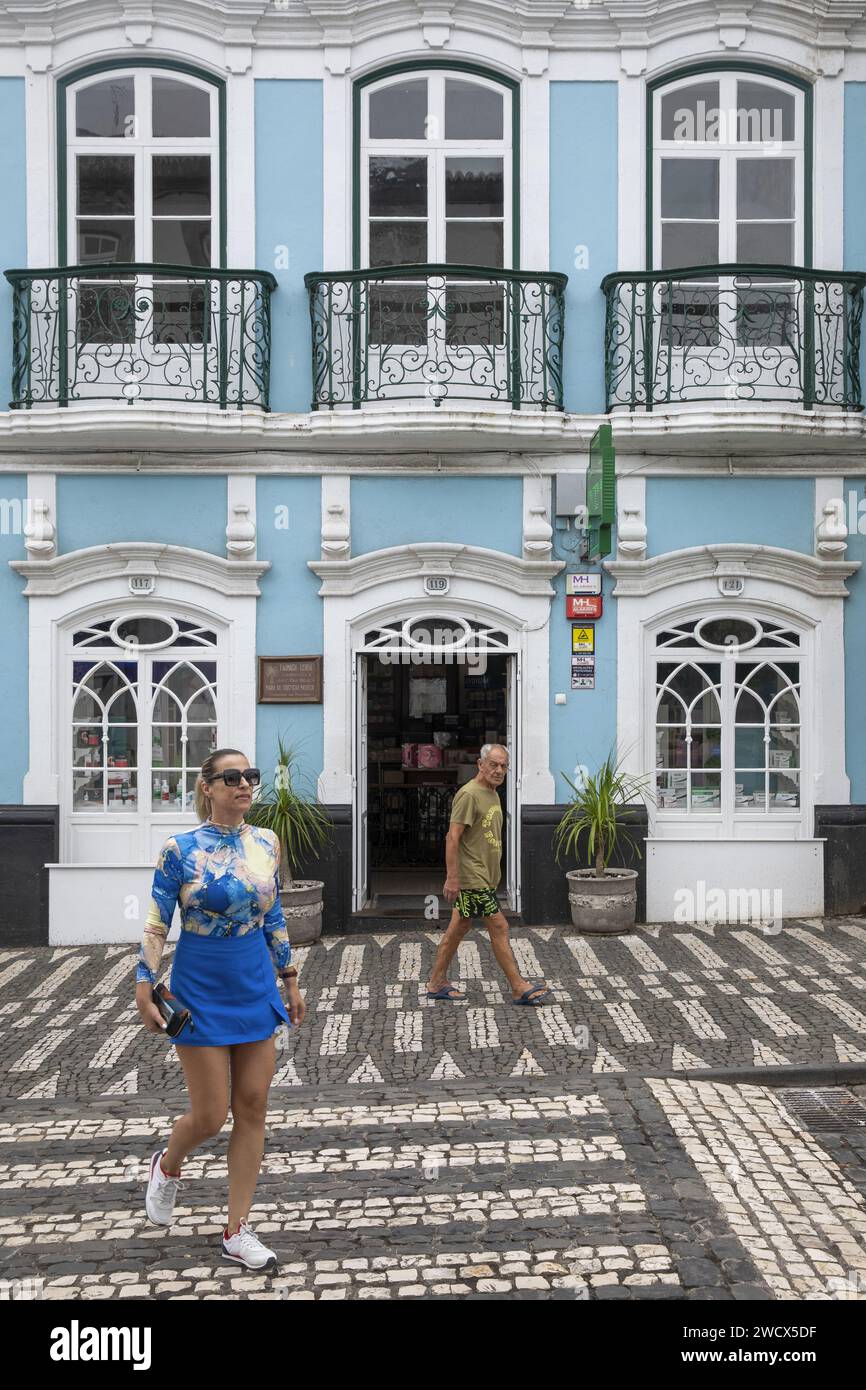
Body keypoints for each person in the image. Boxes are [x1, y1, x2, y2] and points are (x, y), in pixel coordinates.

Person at [134, 748, 305, 1271]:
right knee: (210, 1115)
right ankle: (168, 1165)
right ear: (206, 786)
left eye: (250, 776)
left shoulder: (266, 842)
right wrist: (145, 981)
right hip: (199, 983)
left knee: (252, 1106)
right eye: (231, 777)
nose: (244, 785)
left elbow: (273, 911)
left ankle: (237, 1229)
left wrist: (290, 977)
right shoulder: (179, 849)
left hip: (253, 979)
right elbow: (158, 919)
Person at [426, 743, 553, 1005]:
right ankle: (518, 987)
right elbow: (452, 838)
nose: (498, 770)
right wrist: (452, 877)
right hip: (473, 878)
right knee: (499, 925)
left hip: (485, 876)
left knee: (458, 928)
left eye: (503, 766)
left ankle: (437, 981)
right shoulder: (469, 794)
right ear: (480, 764)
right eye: (493, 764)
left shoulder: (493, 793)